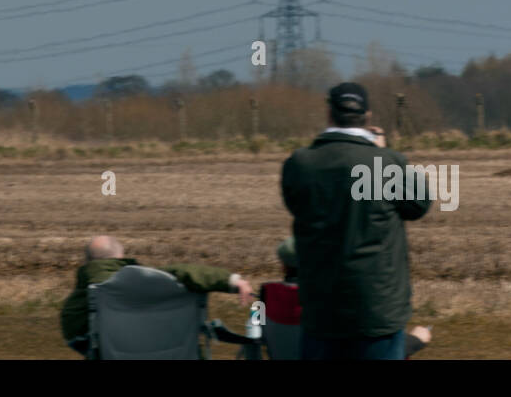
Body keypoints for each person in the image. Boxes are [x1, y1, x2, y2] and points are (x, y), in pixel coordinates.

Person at [281, 82, 431, 359]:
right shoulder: (384, 163)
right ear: (368, 117)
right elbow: (419, 204)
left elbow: (295, 205)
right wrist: (383, 152)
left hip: (322, 309)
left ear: (329, 114)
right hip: (377, 309)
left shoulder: (300, 164)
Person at [60, 234, 254, 354]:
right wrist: (232, 281)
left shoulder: (78, 304)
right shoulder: (156, 281)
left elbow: (78, 340)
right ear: (120, 257)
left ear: (87, 263)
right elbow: (184, 272)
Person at [266, 235, 431, 358]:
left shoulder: (267, 298)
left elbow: (257, 333)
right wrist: (414, 341)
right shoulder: (335, 306)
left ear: (283, 267)